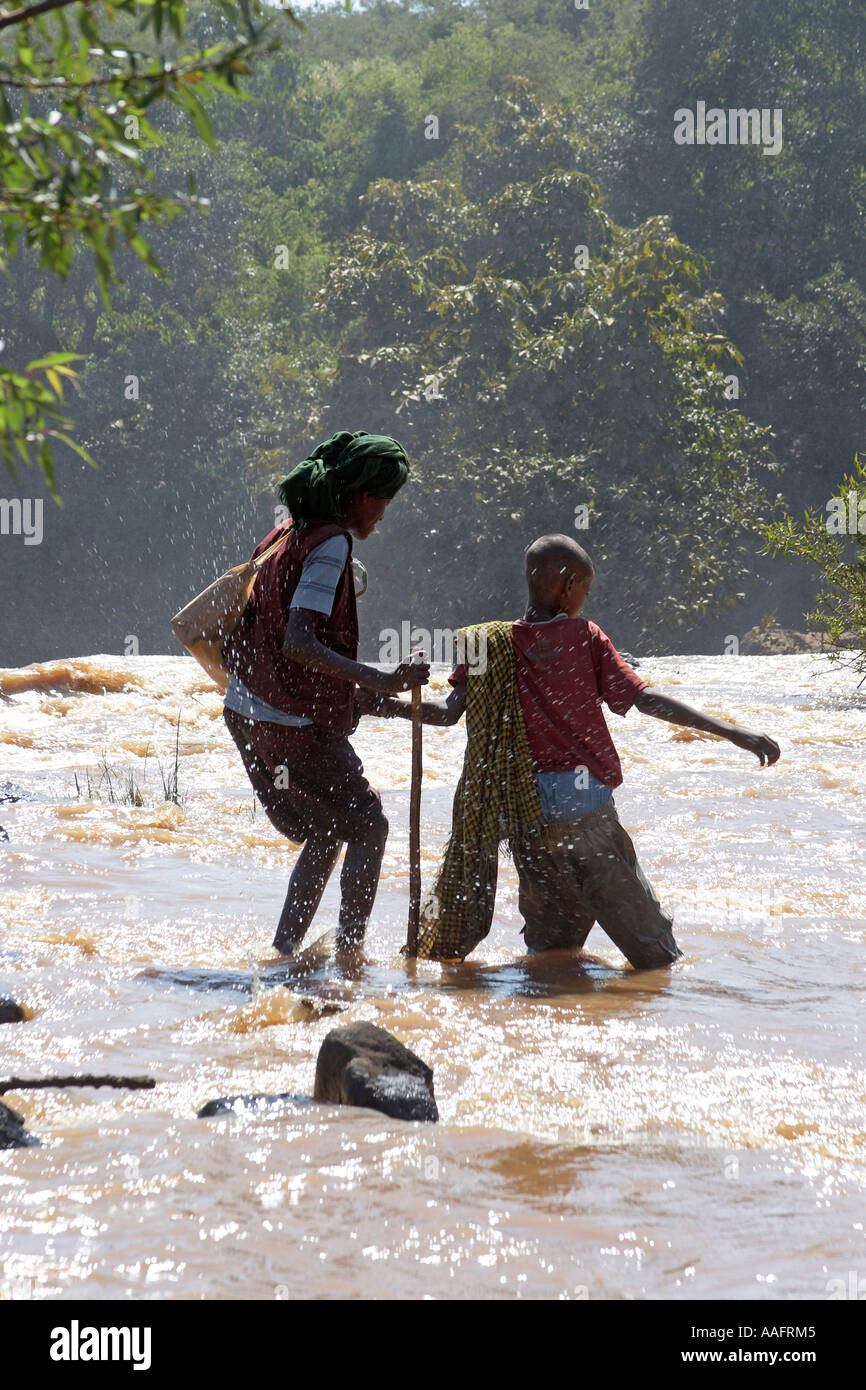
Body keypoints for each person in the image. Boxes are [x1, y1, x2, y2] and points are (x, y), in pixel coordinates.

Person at [372, 534, 780, 967]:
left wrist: (387, 705)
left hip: (524, 813)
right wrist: (732, 731)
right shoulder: (585, 636)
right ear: (568, 586)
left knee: (552, 950)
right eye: (585, 588)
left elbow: (445, 714)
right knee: (656, 953)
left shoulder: (484, 644)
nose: (585, 598)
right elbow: (644, 700)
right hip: (584, 812)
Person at [221, 430, 429, 956]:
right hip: (290, 720)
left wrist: (398, 700)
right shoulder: (331, 542)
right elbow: (298, 641)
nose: (382, 514)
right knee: (370, 827)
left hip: (247, 711)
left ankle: (285, 953)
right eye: (383, 500)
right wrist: (381, 678)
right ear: (360, 495)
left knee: (328, 828)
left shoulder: (284, 534)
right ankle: (350, 958)